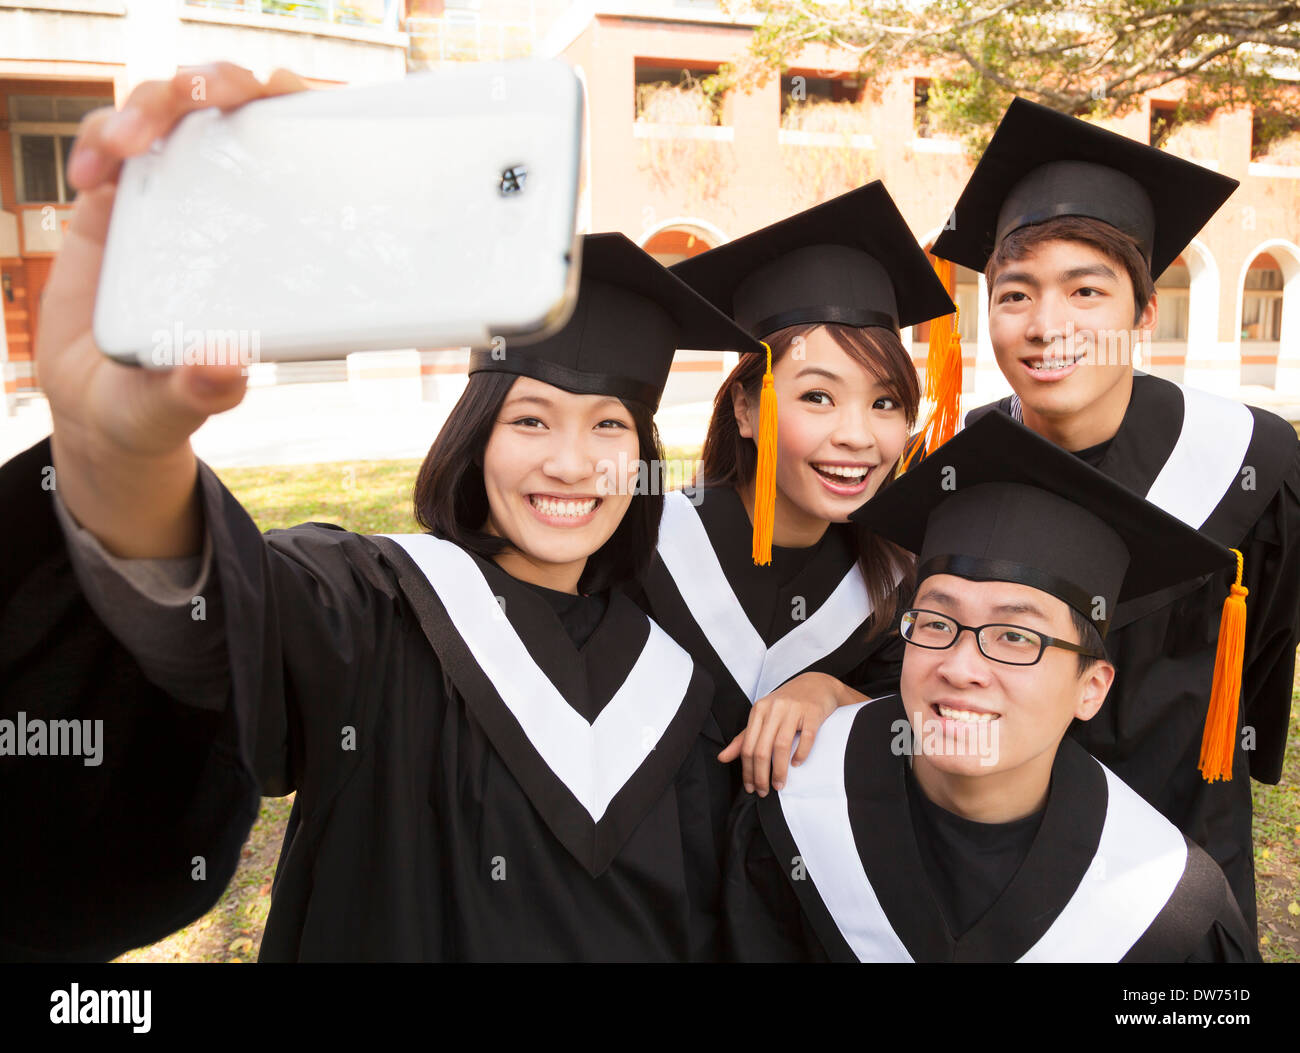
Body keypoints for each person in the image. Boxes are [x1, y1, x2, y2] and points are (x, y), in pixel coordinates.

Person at [0, 64, 772, 961]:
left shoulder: (678, 687)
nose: (571, 460)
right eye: (530, 418)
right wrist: (120, 457)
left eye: (609, 425)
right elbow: (215, 615)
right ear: (476, 438)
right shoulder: (375, 609)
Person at [930, 97, 1300, 936]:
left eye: (1085, 290)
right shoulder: (962, 465)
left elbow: (1269, 636)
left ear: (1141, 313)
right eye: (1015, 293)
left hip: (1182, 853)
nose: (1046, 324)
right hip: (992, 860)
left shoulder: (1250, 464)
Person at [724, 412, 1259, 962]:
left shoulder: (1166, 909)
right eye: (935, 623)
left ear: (1091, 688)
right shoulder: (796, 813)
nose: (961, 666)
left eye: (1014, 636)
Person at [637, 182, 955, 798]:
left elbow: (913, 744)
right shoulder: (646, 549)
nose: (858, 436)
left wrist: (834, 694)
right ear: (748, 409)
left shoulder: (891, 586)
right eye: (818, 396)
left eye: (885, 402)